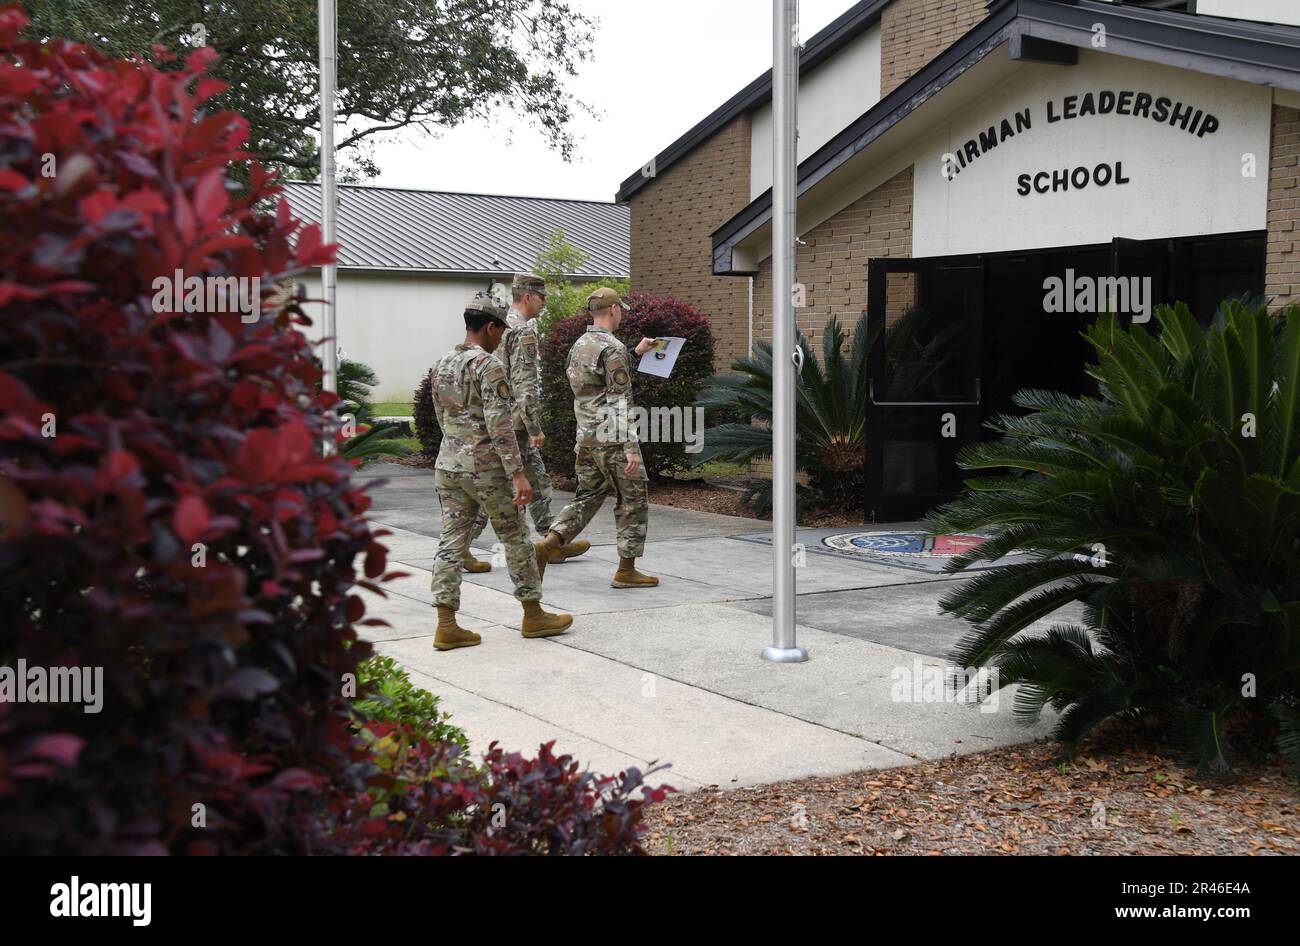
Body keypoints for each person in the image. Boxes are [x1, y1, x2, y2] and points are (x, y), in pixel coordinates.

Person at [428, 291, 572, 650]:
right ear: (490, 328)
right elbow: (500, 425)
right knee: (516, 539)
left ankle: (446, 624)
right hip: (487, 469)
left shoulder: (443, 362)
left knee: (451, 541)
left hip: (449, 464)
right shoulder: (487, 366)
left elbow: (441, 418)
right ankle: (533, 614)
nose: (501, 337)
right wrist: (518, 474)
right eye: (500, 331)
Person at [461, 273, 590, 572]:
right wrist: (534, 426)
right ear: (529, 297)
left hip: (496, 418)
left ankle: (551, 541)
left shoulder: (499, 325)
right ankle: (464, 546)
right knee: (501, 486)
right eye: (543, 298)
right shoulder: (523, 331)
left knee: (537, 480)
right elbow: (525, 384)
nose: (544, 304)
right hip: (515, 423)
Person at [539, 287, 660, 589]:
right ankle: (626, 570)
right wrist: (631, 448)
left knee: (588, 497)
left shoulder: (580, 345)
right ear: (613, 310)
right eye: (621, 309)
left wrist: (636, 353)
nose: (621, 315)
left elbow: (596, 385)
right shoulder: (613, 348)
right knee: (633, 498)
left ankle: (547, 546)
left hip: (587, 438)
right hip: (614, 438)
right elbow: (620, 398)